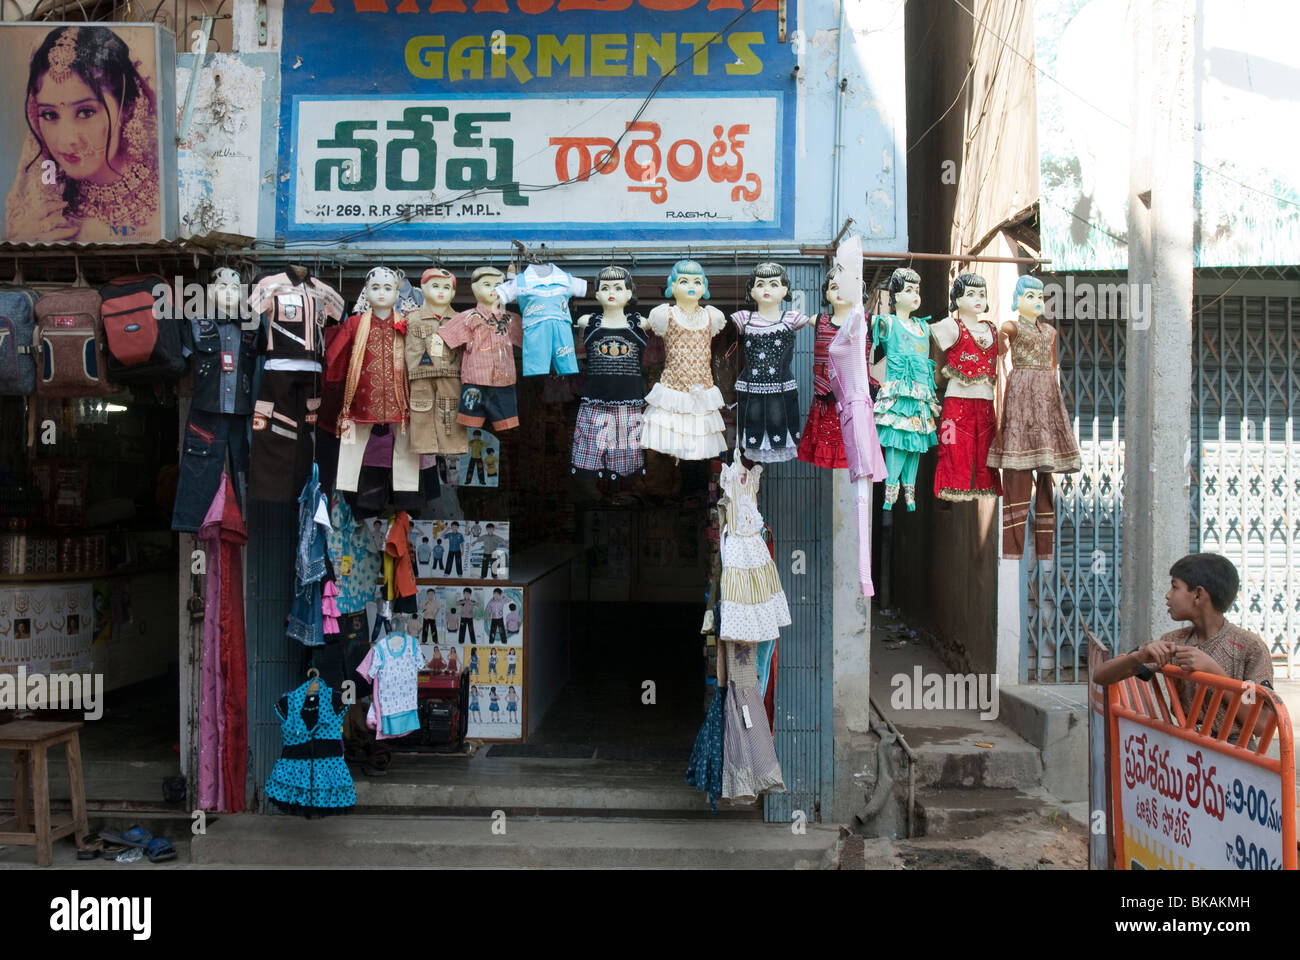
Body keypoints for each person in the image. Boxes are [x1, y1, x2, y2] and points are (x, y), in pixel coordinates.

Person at [1093, 553, 1274, 739]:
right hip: (1187, 748)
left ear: (1198, 594)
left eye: (1174, 587)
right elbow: (1100, 676)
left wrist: (1215, 673)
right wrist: (1138, 656)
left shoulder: (1249, 648)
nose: (1167, 595)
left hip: (1234, 751)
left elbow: (1261, 725)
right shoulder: (1174, 642)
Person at [6, 25, 161, 243]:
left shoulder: (165, 194)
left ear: (127, 108)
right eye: (49, 114)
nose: (65, 140)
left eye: (86, 112)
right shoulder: (40, 208)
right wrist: (24, 246)